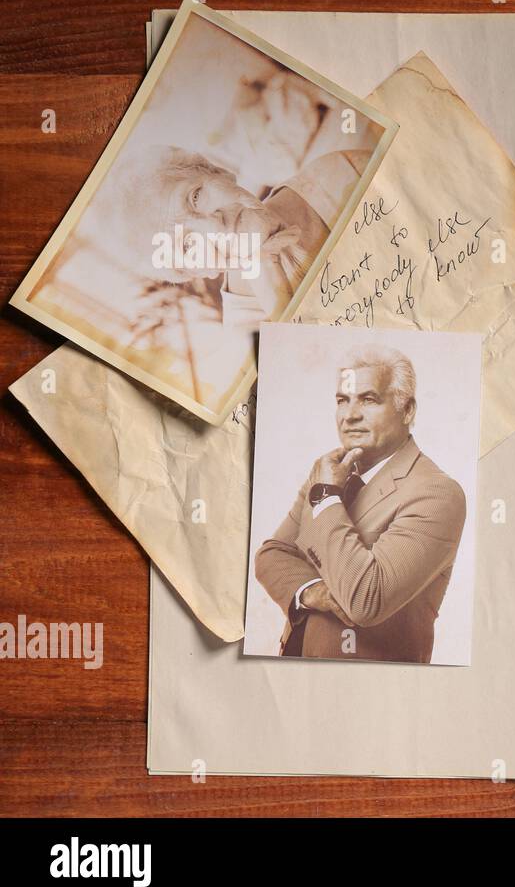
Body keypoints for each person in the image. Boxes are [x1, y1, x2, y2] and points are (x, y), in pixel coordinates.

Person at [254, 344, 467, 663]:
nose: (350, 415)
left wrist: (327, 496)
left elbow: (365, 600)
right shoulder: (326, 472)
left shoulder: (438, 493)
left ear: (407, 410)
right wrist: (312, 592)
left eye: (368, 399)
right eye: (343, 400)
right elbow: (271, 555)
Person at [98, 142, 370, 330]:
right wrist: (277, 299)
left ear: (216, 171)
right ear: (197, 272)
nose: (215, 227)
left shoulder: (340, 172)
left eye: (195, 197)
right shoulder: (246, 328)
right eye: (188, 245)